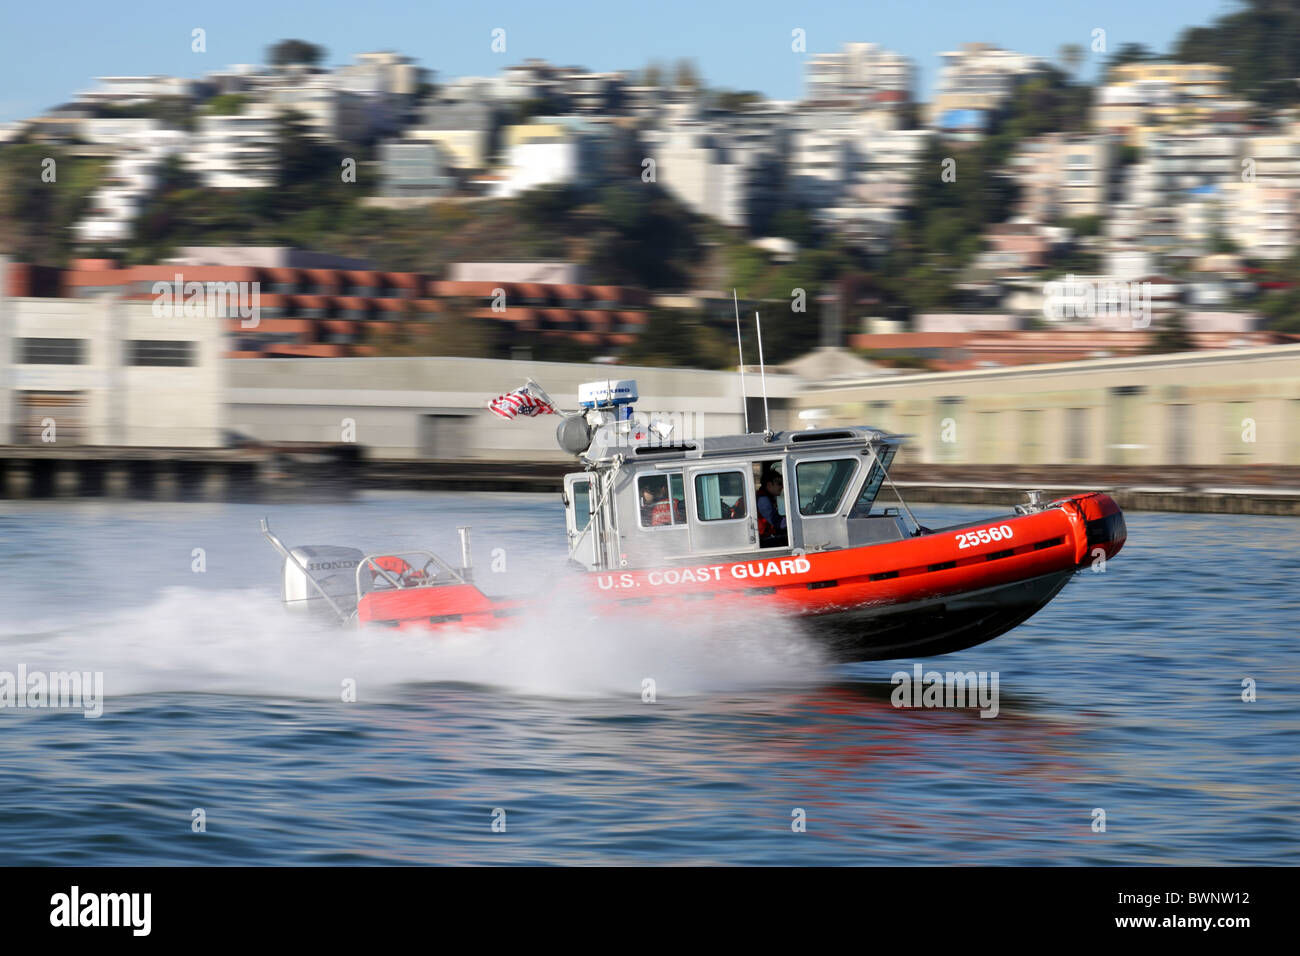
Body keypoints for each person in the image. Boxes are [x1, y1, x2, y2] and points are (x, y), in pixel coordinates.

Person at [756, 469, 787, 546]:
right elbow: (778, 523)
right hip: (764, 540)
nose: (782, 487)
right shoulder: (763, 500)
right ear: (769, 485)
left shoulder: (767, 497)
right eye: (779, 483)